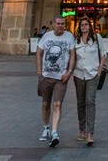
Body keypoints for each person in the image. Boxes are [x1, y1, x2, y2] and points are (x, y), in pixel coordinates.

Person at [37, 16, 76, 148]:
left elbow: (72, 55)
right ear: (53, 24)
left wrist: (69, 72)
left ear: (65, 25)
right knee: (45, 104)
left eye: (62, 24)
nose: (60, 26)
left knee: (57, 104)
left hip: (61, 78)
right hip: (46, 76)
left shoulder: (69, 37)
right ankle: (46, 127)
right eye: (58, 23)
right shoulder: (46, 37)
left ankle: (54, 132)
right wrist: (39, 72)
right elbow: (39, 53)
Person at [72, 18, 106, 147]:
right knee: (81, 103)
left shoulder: (97, 38)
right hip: (79, 75)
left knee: (90, 102)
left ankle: (90, 133)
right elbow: (73, 57)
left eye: (86, 24)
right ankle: (82, 130)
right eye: (82, 25)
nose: (84, 26)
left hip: (92, 75)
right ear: (79, 27)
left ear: (90, 26)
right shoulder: (76, 40)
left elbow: (103, 54)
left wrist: (99, 71)